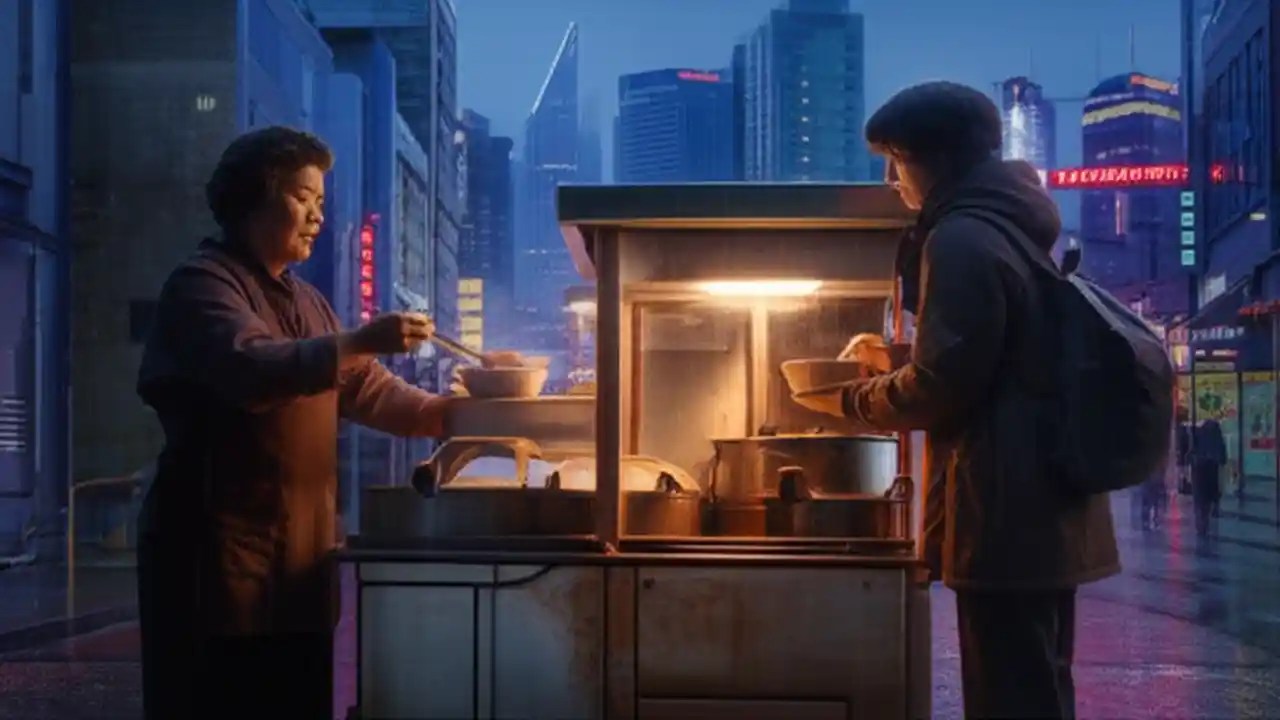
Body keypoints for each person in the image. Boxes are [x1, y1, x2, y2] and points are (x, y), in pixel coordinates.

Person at [135, 126, 496, 719]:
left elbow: (372, 392)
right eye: (303, 197)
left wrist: (479, 407)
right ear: (254, 196)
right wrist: (364, 340)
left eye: (322, 202)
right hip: (215, 563)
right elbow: (252, 369)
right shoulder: (203, 284)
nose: (317, 216)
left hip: (300, 566)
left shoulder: (307, 302)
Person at [793, 82, 1119, 719]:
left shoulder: (962, 239)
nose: (892, 181)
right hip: (1042, 512)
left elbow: (941, 388)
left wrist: (848, 399)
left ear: (933, 160)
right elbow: (992, 359)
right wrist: (893, 360)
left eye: (896, 161)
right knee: (1039, 688)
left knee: (1009, 696)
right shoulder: (1011, 226)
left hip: (1005, 514)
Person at [1192, 415, 1227, 538]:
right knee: (1209, 496)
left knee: (1201, 498)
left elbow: (1193, 450)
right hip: (1211, 469)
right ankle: (1205, 520)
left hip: (1200, 469)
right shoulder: (1216, 435)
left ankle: (1201, 523)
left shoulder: (1199, 434)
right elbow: (1222, 454)